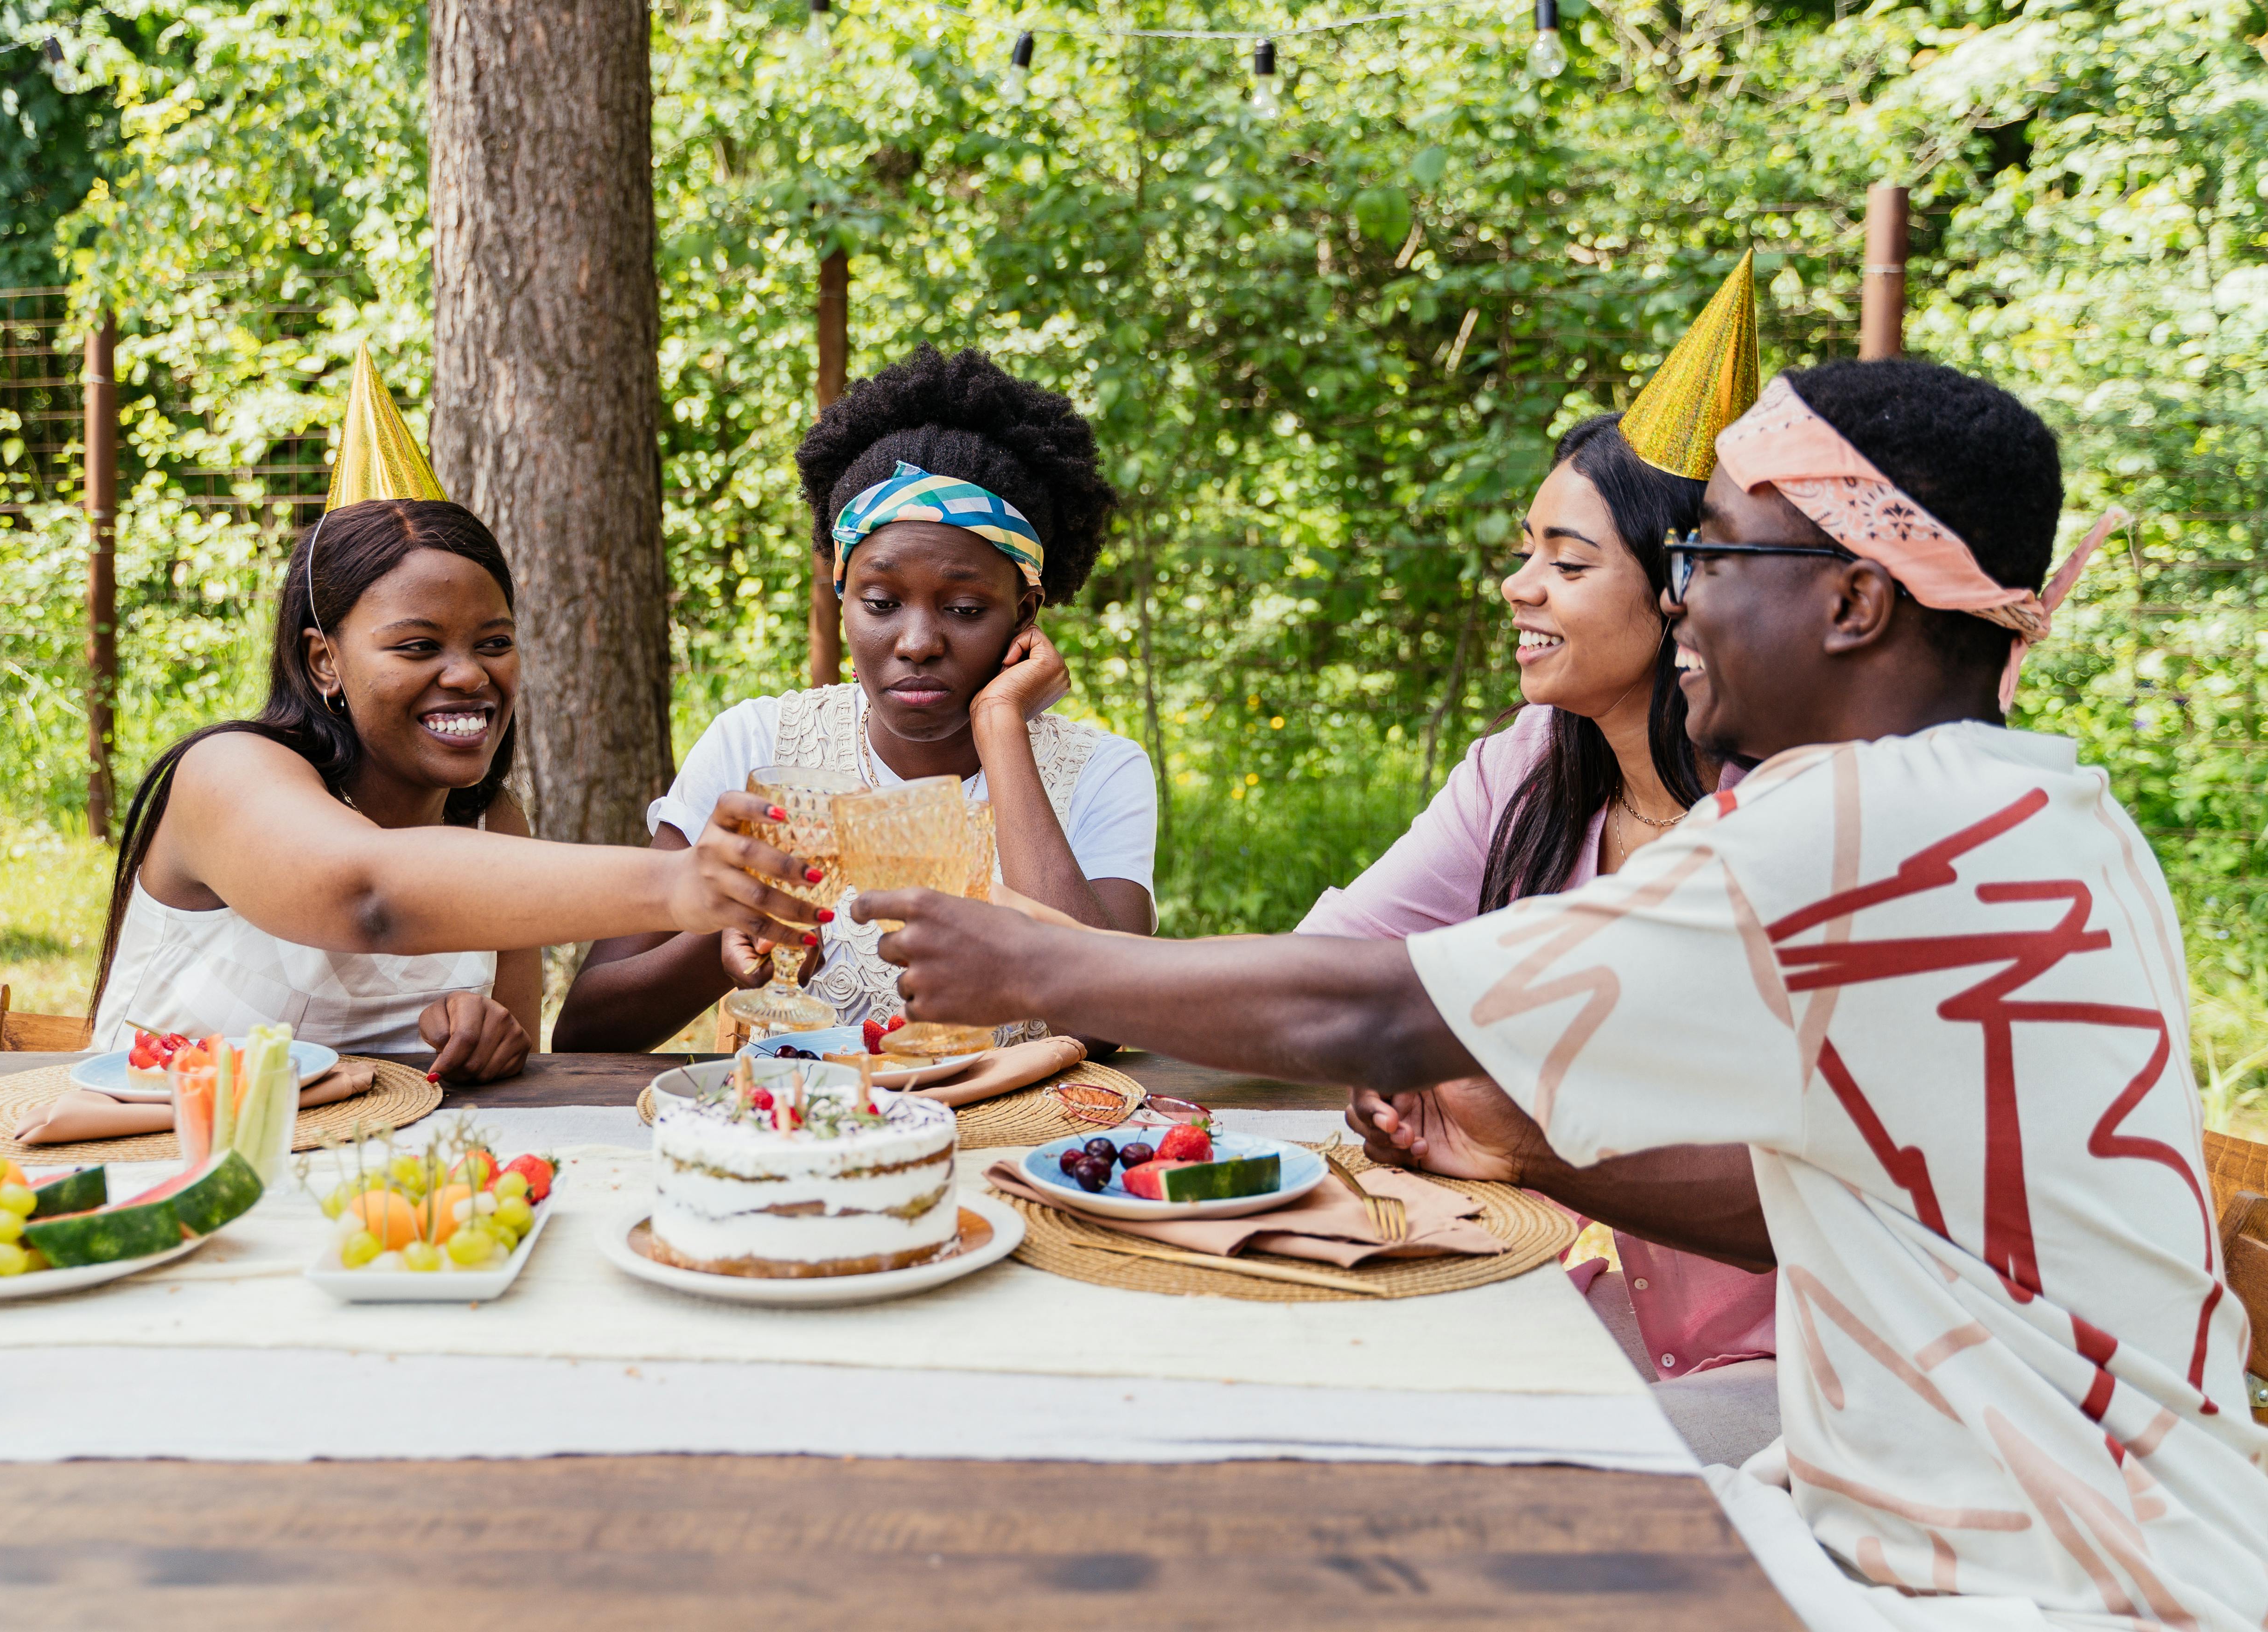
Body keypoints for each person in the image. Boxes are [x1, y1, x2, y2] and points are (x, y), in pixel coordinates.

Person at [861, 360, 2268, 1628]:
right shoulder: (2051, 804)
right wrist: (1523, 1150)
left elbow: (1378, 1013)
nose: (1681, 593)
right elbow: (1842, 1196)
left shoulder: (1838, 830)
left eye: (1712, 552)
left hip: (2052, 1568)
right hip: (2061, 1510)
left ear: (1854, 600)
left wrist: (1033, 960)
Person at [1301, 256, 1777, 1431]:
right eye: (1528, 551)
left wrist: (1512, 1140)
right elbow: (1328, 961)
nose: (1520, 587)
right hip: (1570, 1292)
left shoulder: (1795, 819)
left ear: (1689, 592)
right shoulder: (1530, 764)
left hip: (1785, 1360)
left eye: (1567, 563)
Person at [88, 352, 819, 1084]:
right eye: (418, 646)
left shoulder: (493, 824)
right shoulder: (226, 773)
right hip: (151, 1162)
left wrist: (487, 1037)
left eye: (494, 643)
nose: (471, 675)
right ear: (323, 663)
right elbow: (368, 896)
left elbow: (522, 1073)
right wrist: (680, 885)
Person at [552, 344, 1158, 1052]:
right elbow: (585, 1031)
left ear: (1026, 614)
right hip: (800, 1144)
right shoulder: (757, 746)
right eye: (881, 601)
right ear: (843, 598)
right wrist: (742, 927)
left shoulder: (1103, 773)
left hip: (1014, 1155)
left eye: (965, 609)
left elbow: (1105, 1022)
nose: (917, 641)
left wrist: (1001, 728)